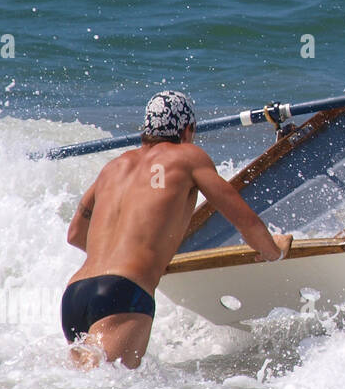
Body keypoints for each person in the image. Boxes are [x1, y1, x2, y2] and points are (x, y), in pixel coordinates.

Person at [62, 90, 292, 369]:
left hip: (75, 296)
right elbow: (244, 220)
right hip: (122, 295)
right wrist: (273, 251)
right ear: (188, 130)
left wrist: (130, 254)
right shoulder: (188, 157)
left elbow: (75, 234)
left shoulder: (113, 167)